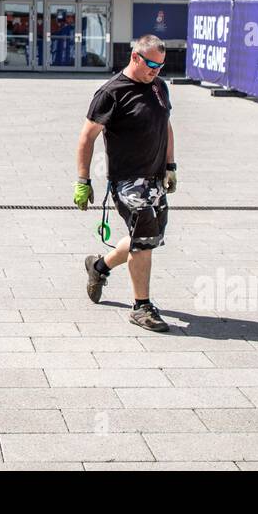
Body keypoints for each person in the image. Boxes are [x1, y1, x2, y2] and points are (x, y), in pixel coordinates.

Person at [74, 34, 178, 332]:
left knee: (145, 240)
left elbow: (165, 124)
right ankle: (141, 307)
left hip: (156, 177)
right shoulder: (111, 93)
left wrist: (171, 166)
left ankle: (99, 266)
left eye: (160, 66)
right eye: (151, 65)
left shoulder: (159, 87)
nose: (155, 71)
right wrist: (83, 180)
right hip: (128, 182)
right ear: (135, 57)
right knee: (143, 241)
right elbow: (87, 137)